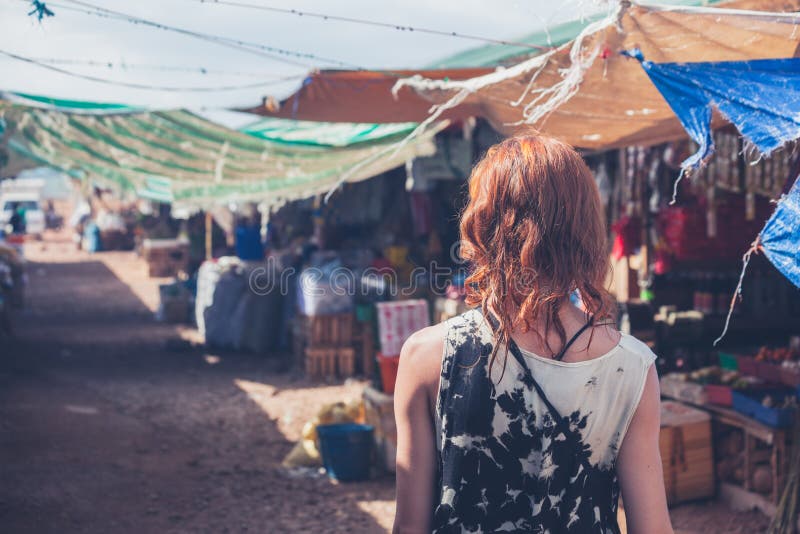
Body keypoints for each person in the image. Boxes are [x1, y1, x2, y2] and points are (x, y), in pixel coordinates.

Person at [393, 135, 672, 534]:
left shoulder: (428, 356)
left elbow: (409, 528)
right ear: (585, 229)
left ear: (483, 225)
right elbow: (653, 528)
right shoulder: (632, 367)